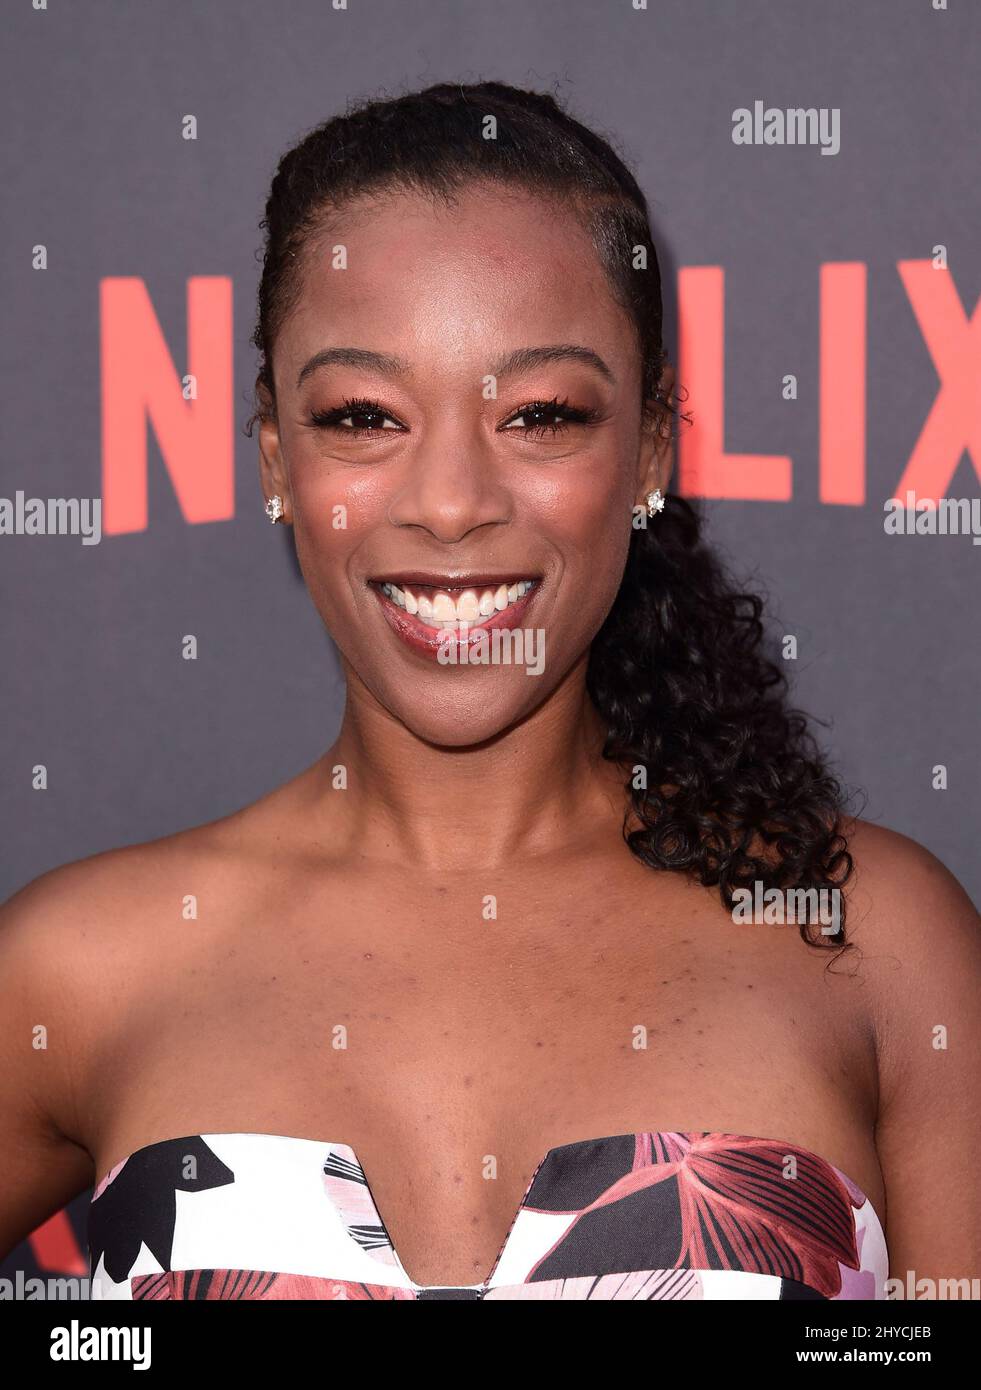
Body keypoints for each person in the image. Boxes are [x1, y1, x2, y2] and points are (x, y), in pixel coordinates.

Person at [1, 82, 978, 1302]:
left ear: (652, 449)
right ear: (277, 458)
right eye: (365, 416)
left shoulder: (873, 942)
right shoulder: (80, 965)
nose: (453, 502)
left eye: (540, 415)